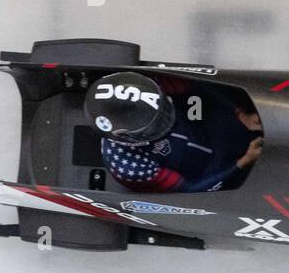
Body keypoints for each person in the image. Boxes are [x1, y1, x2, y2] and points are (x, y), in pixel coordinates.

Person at [83, 71, 263, 193]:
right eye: (157, 123)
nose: (165, 120)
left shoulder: (150, 85)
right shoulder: (128, 165)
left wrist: (239, 112)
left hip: (199, 115)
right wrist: (241, 164)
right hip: (210, 168)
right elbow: (187, 189)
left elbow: (196, 84)